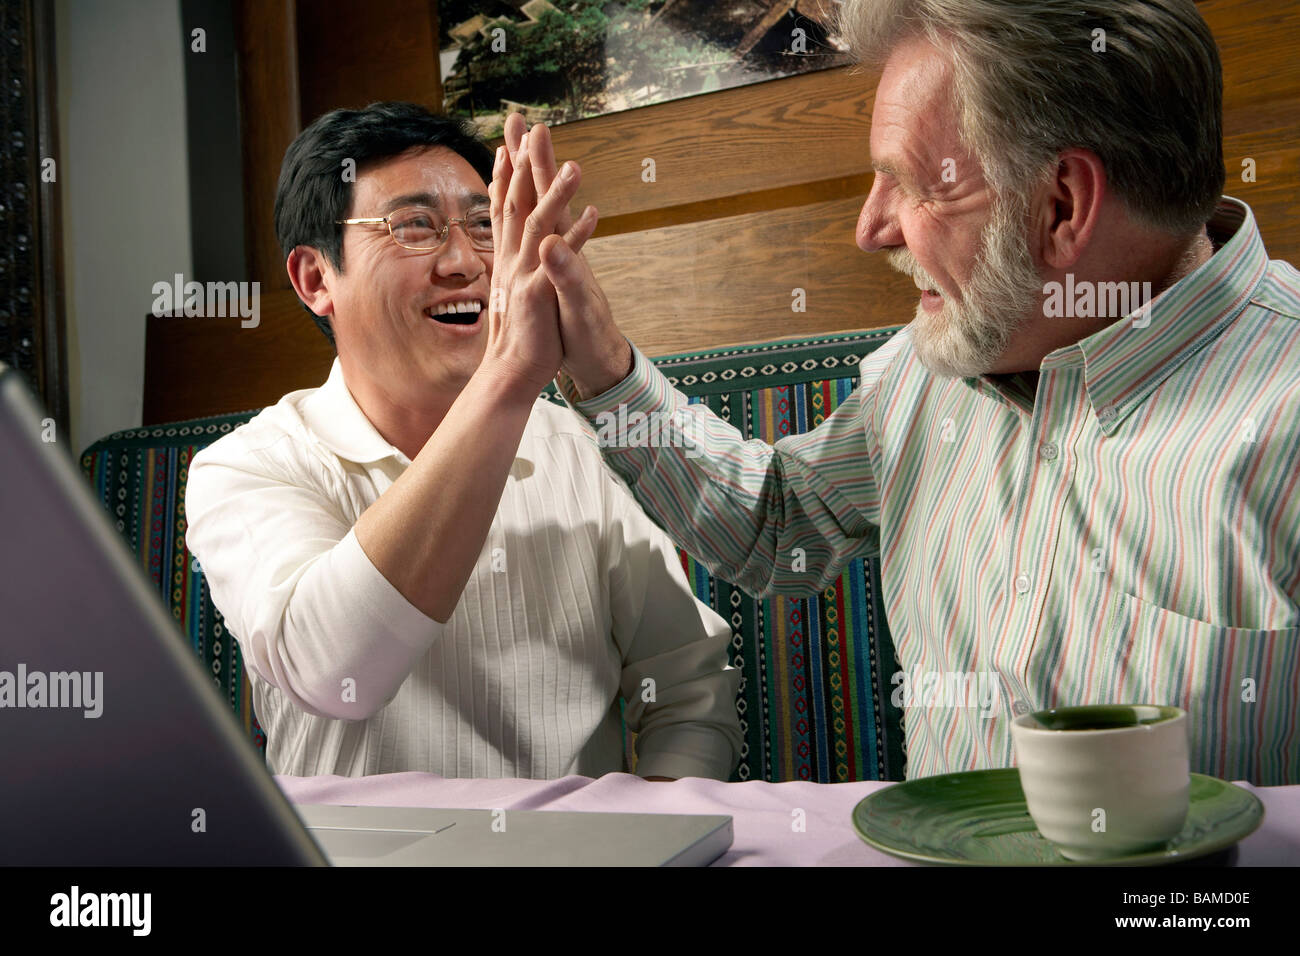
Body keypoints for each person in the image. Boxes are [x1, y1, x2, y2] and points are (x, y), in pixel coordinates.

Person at [512, 0, 1300, 784]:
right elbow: (774, 524)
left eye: (915, 186)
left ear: (1063, 204)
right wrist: (603, 367)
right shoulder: (917, 378)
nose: (872, 228)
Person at [183, 102, 742, 781]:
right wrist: (509, 376)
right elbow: (332, 672)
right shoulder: (247, 467)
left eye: (485, 226)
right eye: (414, 226)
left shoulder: (579, 449)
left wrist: (654, 835)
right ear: (315, 279)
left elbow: (689, 688)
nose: (465, 262)